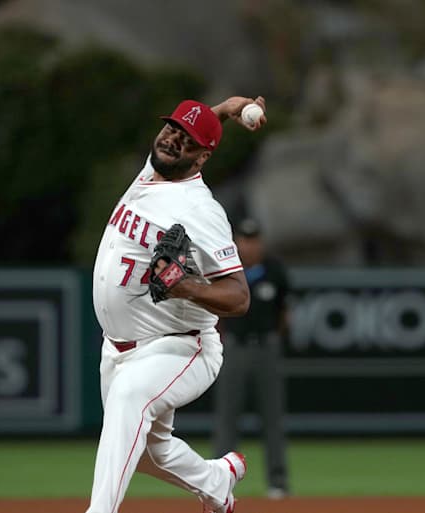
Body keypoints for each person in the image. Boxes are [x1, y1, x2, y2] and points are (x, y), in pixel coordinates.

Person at [86, 95, 268, 513]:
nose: (172, 140)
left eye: (187, 140)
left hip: (181, 346)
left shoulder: (202, 210)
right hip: (117, 347)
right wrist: (224, 111)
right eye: (171, 128)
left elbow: (239, 297)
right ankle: (217, 481)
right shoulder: (152, 172)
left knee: (130, 398)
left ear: (202, 157)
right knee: (150, 453)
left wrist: (186, 287)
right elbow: (195, 127)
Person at [212, 217, 291, 499]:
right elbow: (214, 311)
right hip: (234, 346)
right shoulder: (227, 270)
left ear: (261, 242)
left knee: (272, 417)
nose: (250, 245)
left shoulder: (274, 271)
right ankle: (219, 484)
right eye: (244, 239)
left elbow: (284, 312)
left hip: (266, 347)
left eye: (254, 239)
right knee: (227, 418)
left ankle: (278, 483)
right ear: (236, 242)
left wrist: (273, 338)